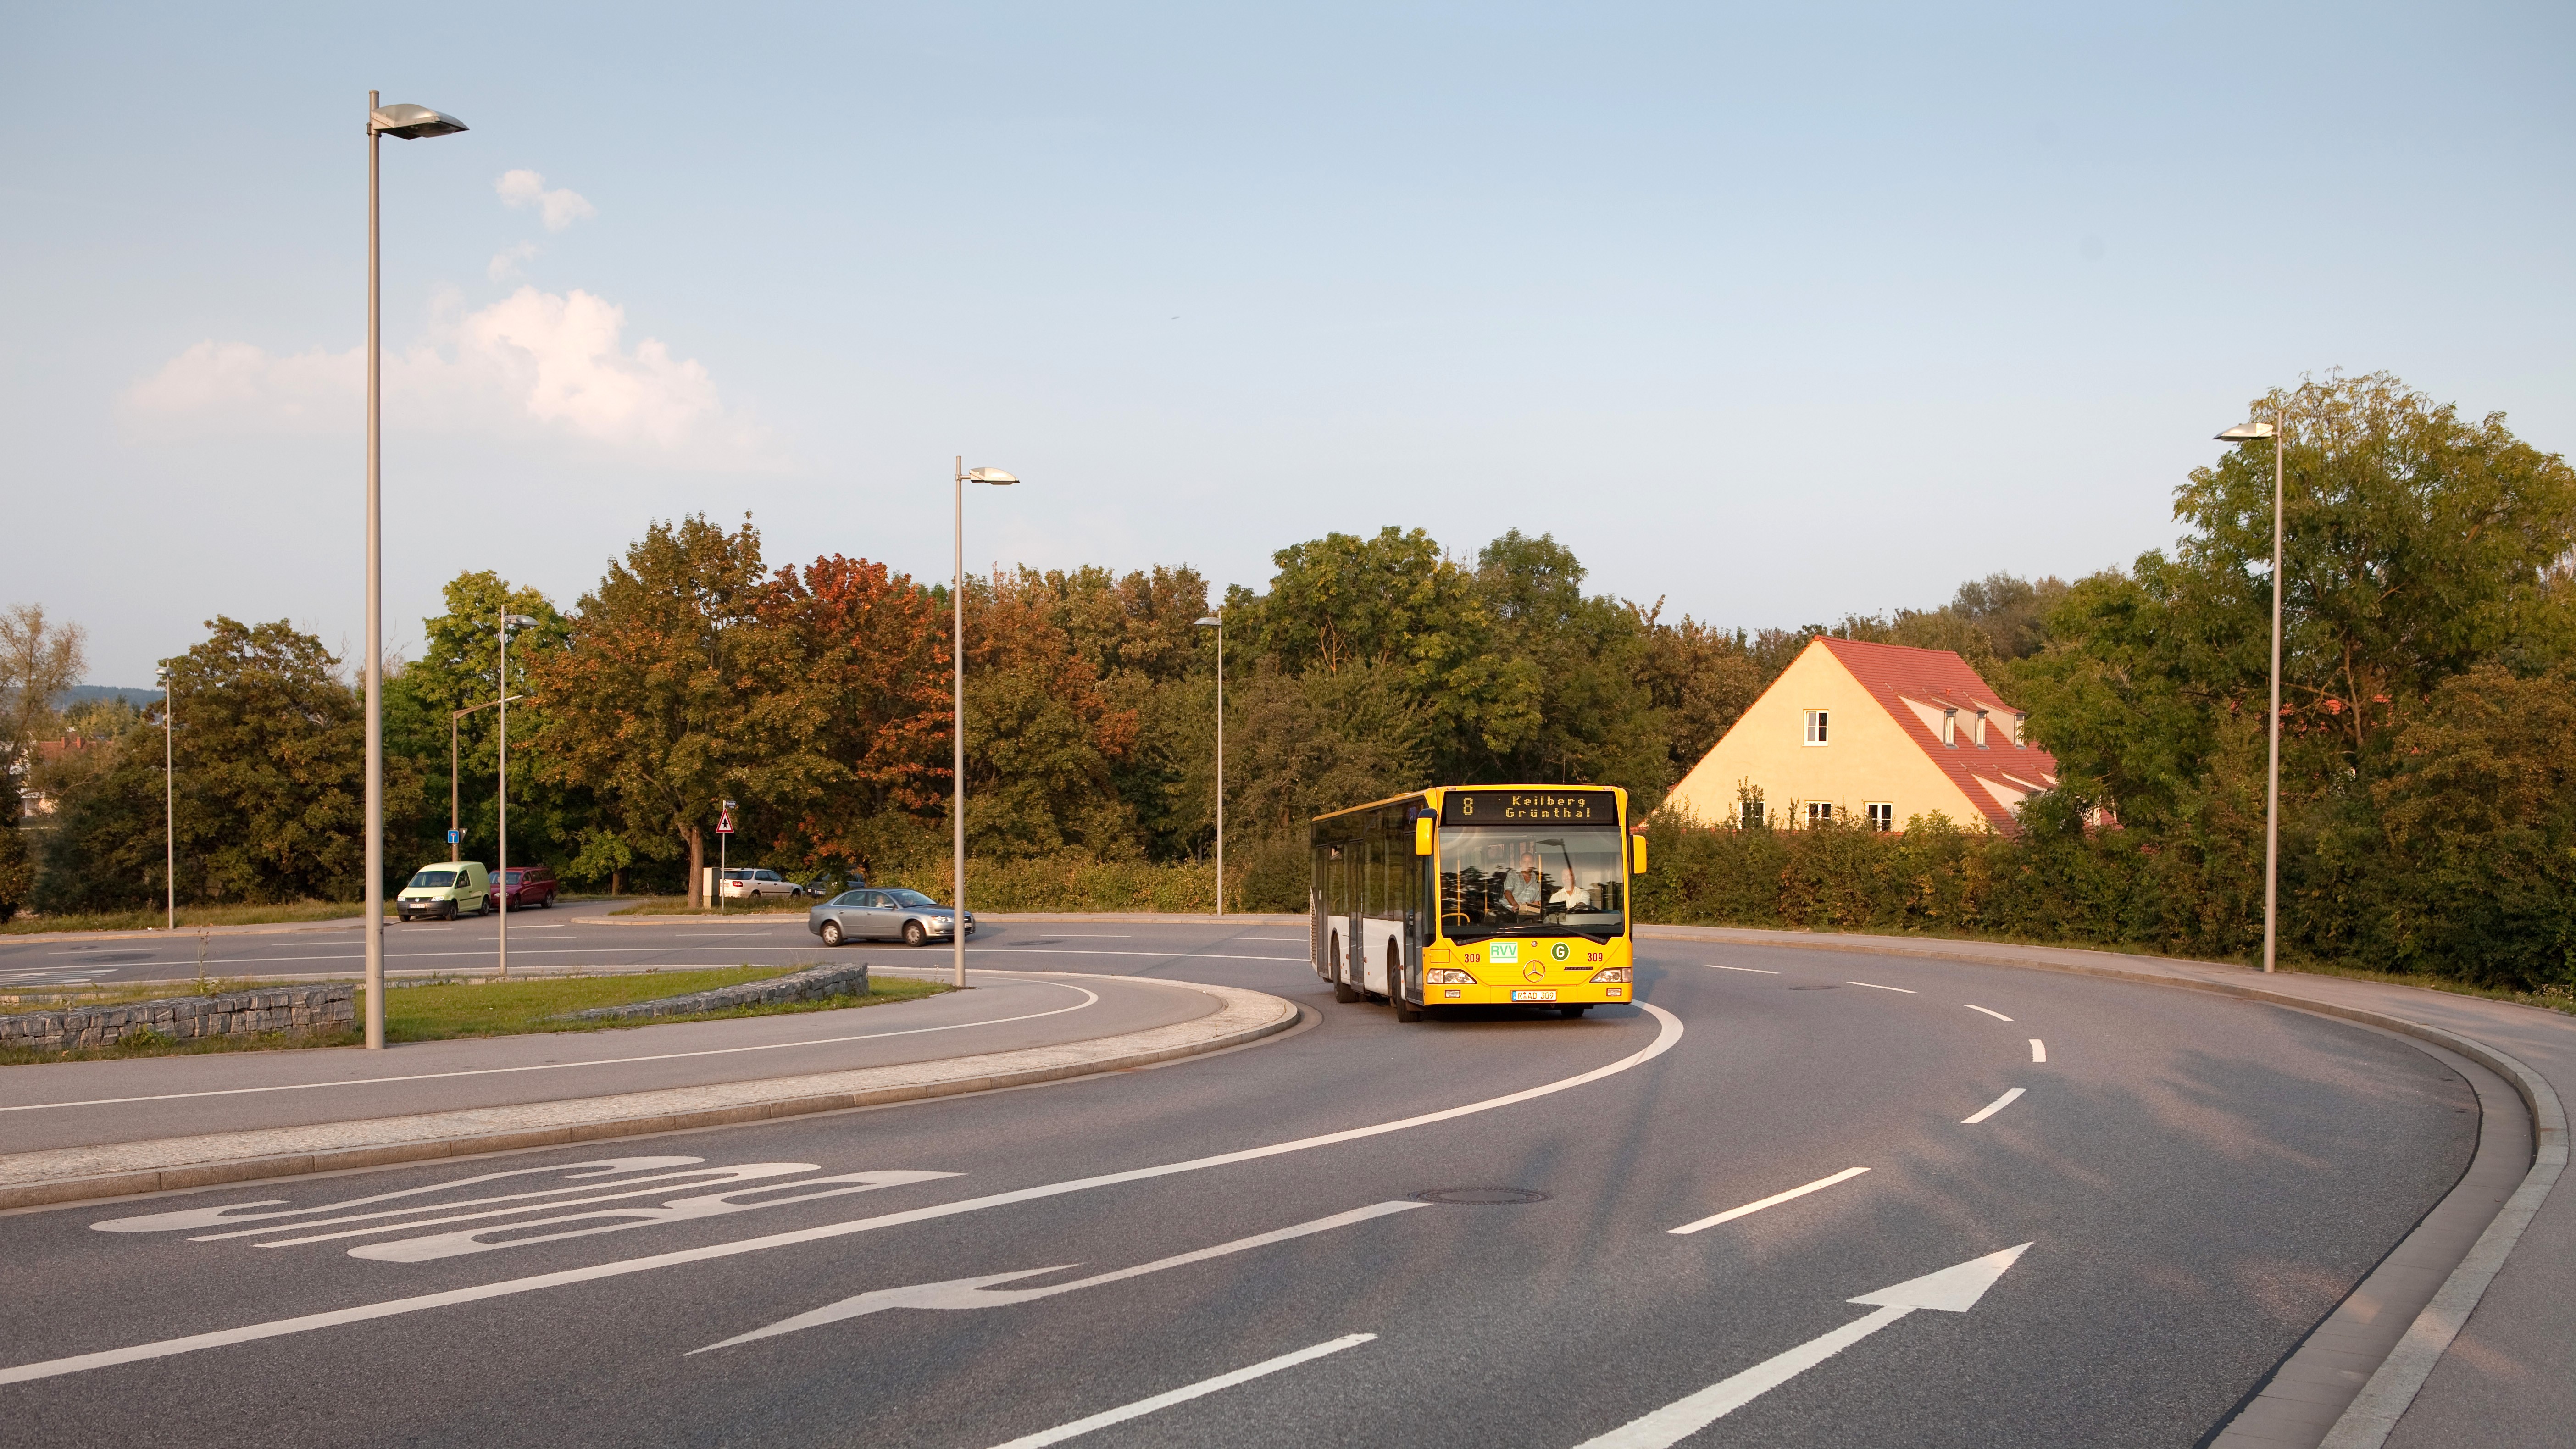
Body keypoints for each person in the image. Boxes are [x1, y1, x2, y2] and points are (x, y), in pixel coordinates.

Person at [1502, 849, 1548, 918]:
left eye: (1529, 863)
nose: (1527, 865)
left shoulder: (1536, 881)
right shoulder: (1513, 874)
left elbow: (1536, 903)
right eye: (1524, 862)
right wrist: (1515, 905)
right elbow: (1507, 893)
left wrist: (1538, 919)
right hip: (1508, 914)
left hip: (1526, 915)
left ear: (1533, 864)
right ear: (1520, 863)